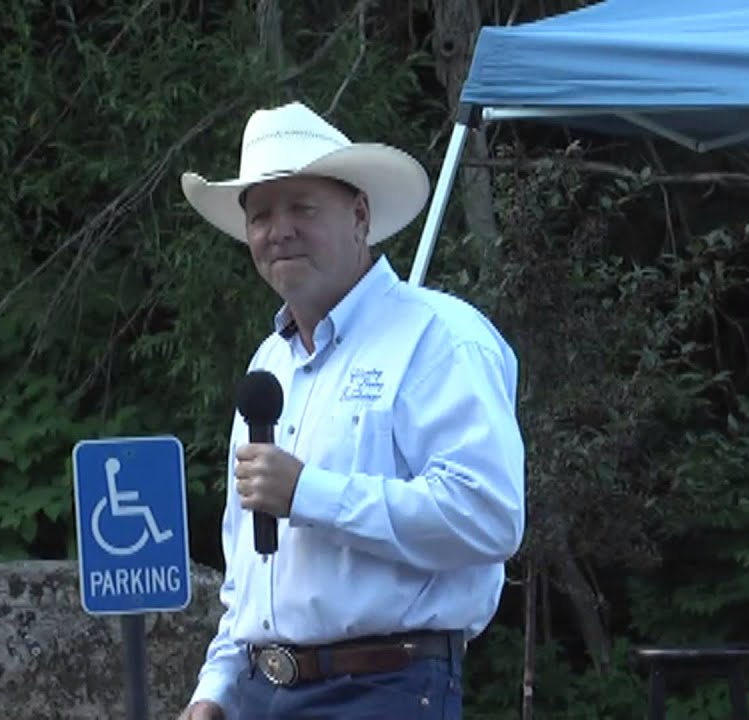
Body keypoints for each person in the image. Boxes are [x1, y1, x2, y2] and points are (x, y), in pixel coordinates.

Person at [174, 101, 526, 719]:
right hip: (260, 694)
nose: (279, 230)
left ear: (360, 215)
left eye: (302, 208)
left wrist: (308, 492)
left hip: (385, 692)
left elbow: (488, 515)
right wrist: (217, 689)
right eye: (261, 215)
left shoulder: (439, 338)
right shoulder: (269, 364)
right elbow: (249, 572)